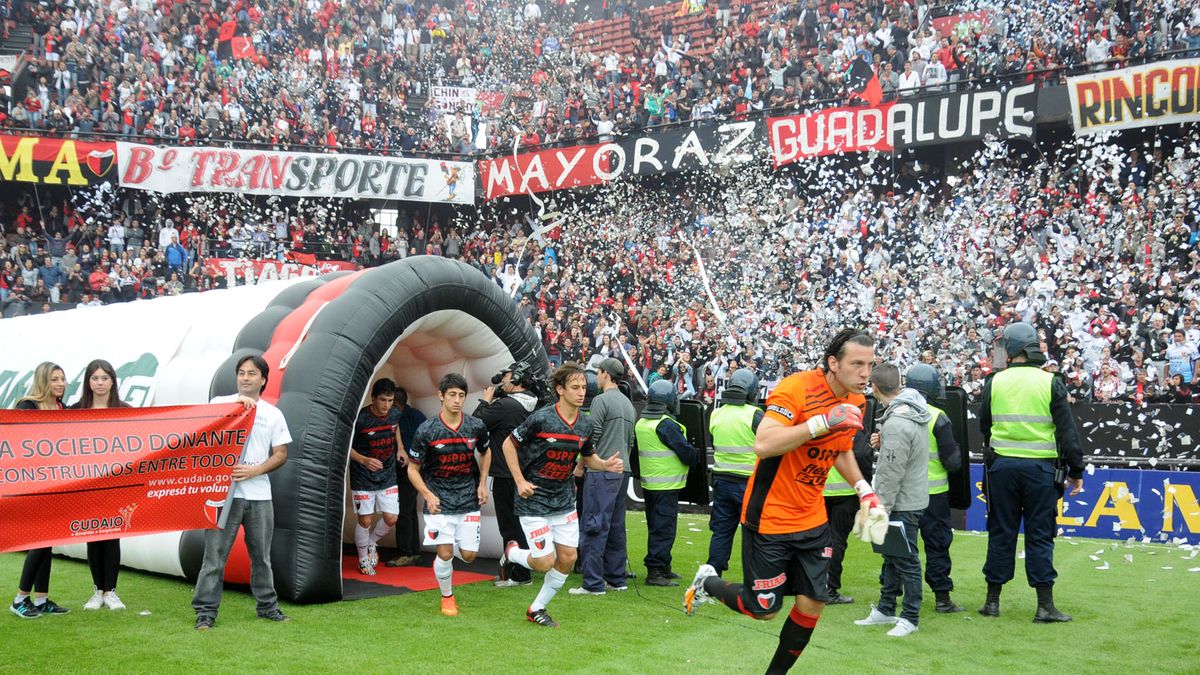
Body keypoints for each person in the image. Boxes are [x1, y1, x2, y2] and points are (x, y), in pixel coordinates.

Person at [685, 328, 880, 674]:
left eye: (870, 364)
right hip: (770, 517)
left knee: (813, 602)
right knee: (763, 608)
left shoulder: (856, 401)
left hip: (812, 518)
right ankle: (707, 582)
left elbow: (840, 449)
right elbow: (765, 442)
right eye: (858, 364)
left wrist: (864, 489)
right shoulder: (797, 387)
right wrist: (821, 422)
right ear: (833, 363)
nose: (866, 373)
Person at [500, 362, 624, 627]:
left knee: (568, 558)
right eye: (575, 387)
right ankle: (511, 552)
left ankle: (536, 608)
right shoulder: (541, 418)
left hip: (564, 501)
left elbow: (588, 457)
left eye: (583, 388)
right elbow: (507, 444)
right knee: (545, 562)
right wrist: (520, 480)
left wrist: (604, 465)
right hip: (534, 499)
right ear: (559, 389)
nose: (582, 393)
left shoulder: (585, 425)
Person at [980, 322, 1084, 623]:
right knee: (1040, 535)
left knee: (1001, 532)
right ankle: (1044, 606)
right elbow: (1067, 433)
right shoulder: (1050, 382)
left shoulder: (994, 382)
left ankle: (992, 602)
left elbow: (985, 426)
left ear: (1012, 349)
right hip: (1040, 471)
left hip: (1001, 469)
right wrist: (1076, 469)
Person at [193, 355, 292, 630]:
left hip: (259, 495)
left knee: (261, 557)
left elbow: (281, 454)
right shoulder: (218, 404)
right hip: (223, 495)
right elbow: (202, 432)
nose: (245, 377)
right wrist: (234, 408)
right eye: (241, 373)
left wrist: (255, 470)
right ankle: (205, 612)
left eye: (252, 373)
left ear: (263, 380)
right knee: (214, 557)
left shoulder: (273, 414)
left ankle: (267, 607)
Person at [852, 364, 929, 637]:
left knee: (904, 560)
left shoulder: (896, 422)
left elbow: (892, 471)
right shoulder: (908, 412)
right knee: (892, 558)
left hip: (900, 501)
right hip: (909, 497)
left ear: (874, 387)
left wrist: (878, 506)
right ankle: (886, 608)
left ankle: (909, 616)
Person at [406, 373, 490, 617]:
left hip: (468, 499)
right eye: (452, 394)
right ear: (440, 396)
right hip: (438, 500)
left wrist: (482, 483)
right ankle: (447, 597)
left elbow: (486, 453)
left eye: (461, 395)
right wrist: (427, 494)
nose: (457, 400)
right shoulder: (427, 430)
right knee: (444, 553)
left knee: (469, 555)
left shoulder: (475, 426)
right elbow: (413, 469)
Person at [571, 357, 636, 595]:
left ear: (605, 374)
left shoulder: (600, 400)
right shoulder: (628, 405)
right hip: (623, 471)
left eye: (597, 373)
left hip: (602, 471)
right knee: (616, 527)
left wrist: (579, 466)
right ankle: (616, 579)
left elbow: (591, 438)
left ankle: (593, 583)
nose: (595, 379)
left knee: (594, 525)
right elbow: (630, 442)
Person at [71, 360, 132, 611]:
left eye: (104, 378)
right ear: (88, 382)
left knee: (112, 536)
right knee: (93, 536)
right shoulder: (75, 411)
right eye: (95, 378)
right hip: (87, 484)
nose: (99, 383)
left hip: (115, 485)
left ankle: (111, 591)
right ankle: (97, 591)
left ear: (113, 382)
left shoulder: (125, 410)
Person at [11, 362, 70, 619]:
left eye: (62, 379)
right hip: (32, 485)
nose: (60, 384)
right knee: (41, 541)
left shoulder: (62, 408)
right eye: (54, 379)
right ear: (43, 381)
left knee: (49, 542)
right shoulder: (27, 406)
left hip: (56, 485)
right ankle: (20, 599)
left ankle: (42, 599)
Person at [473, 361, 540, 587]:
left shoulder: (506, 406)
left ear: (518, 378)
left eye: (507, 376)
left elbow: (475, 423)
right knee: (521, 524)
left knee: (510, 526)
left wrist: (485, 401)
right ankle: (516, 570)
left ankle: (518, 575)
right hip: (525, 472)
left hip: (507, 474)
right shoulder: (533, 404)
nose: (503, 380)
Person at [905, 364, 965, 613]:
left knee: (901, 546)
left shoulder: (895, 413)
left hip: (904, 495)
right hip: (933, 495)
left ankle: (891, 597)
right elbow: (952, 462)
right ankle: (942, 599)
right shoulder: (938, 417)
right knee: (937, 545)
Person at [637, 379, 702, 586]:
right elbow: (685, 453)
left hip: (650, 485)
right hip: (666, 486)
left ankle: (663, 567)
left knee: (657, 527)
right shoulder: (665, 424)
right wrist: (696, 453)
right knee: (663, 529)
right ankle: (656, 571)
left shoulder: (643, 422)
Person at [704, 368, 763, 577]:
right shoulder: (755, 415)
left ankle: (712, 575)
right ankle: (755, 577)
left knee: (721, 531)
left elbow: (713, 441)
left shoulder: (716, 413)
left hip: (721, 480)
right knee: (754, 531)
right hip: (748, 483)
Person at [349, 379, 405, 576]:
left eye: (390, 400)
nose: (386, 405)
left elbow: (395, 428)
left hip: (388, 474)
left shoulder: (395, 413)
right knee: (365, 520)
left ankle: (372, 542)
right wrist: (364, 460)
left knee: (391, 518)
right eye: (383, 400)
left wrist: (401, 449)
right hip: (363, 476)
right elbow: (346, 447)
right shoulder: (361, 419)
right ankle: (363, 559)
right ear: (373, 399)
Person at [383, 386, 426, 568]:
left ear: (397, 403)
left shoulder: (415, 417)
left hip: (411, 470)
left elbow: (427, 441)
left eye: (391, 402)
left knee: (403, 511)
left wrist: (416, 461)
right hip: (395, 470)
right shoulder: (400, 417)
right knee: (407, 512)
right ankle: (413, 552)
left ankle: (406, 553)